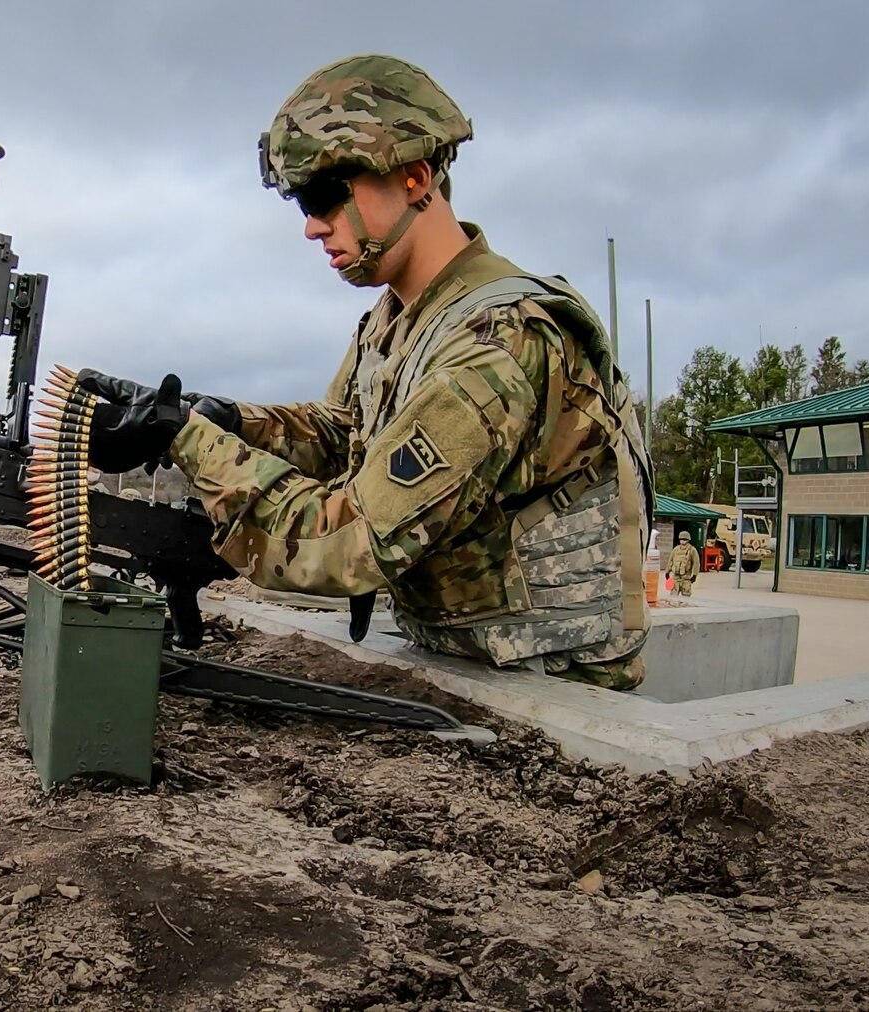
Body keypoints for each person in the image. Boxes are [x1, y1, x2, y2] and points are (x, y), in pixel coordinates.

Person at [72, 54, 654, 689]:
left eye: (325, 195)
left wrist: (187, 439)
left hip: (559, 694)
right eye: (300, 201)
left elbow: (342, 543)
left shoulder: (501, 341)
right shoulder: (395, 319)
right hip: (468, 668)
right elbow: (342, 432)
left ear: (414, 176)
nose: (311, 226)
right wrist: (225, 419)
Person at [667, 531, 700, 597]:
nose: (682, 541)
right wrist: (667, 572)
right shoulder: (676, 549)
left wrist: (694, 575)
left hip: (686, 578)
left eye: (684, 539)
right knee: (673, 596)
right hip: (676, 578)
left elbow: (696, 563)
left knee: (686, 597)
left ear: (688, 540)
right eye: (681, 539)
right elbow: (670, 561)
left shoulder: (692, 550)